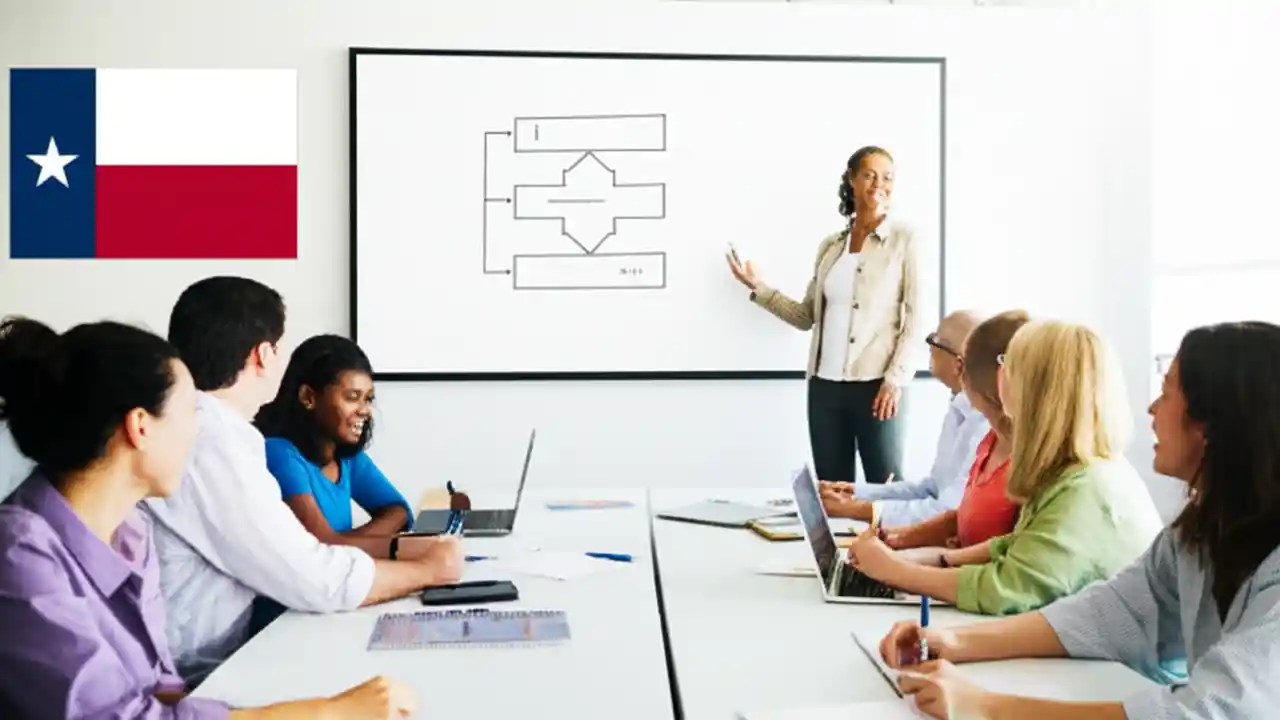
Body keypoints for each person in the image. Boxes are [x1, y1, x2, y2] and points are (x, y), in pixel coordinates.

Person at [0, 316, 416, 719]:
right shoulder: (19, 555)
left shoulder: (131, 531)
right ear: (140, 427)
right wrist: (325, 713)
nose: (198, 433)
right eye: (190, 414)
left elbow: (159, 688)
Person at [879, 321, 1280, 720]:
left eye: (1166, 392)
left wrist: (986, 707)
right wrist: (950, 641)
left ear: (1211, 422)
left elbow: (1210, 713)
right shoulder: (1202, 527)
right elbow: (1111, 612)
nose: (1152, 409)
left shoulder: (1093, 487)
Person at [144, 277, 462, 684]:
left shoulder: (211, 433)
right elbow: (315, 576)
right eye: (278, 350)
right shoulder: (213, 444)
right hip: (198, 677)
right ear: (262, 355)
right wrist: (429, 570)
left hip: (215, 659)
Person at [845, 320, 1162, 615]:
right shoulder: (1075, 471)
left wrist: (894, 570)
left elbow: (1007, 587)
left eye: (1010, 365)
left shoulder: (1088, 489)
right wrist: (933, 559)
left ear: (1041, 391)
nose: (1002, 375)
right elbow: (1019, 544)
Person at [728, 145, 920, 485]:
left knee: (888, 490)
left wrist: (896, 379)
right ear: (851, 179)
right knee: (831, 492)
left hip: (877, 386)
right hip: (825, 389)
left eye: (887, 177)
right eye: (869, 175)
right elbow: (805, 316)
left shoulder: (905, 240)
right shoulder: (831, 246)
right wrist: (757, 287)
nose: (879, 184)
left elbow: (916, 317)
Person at [875, 310, 1028, 551]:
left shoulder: (991, 430)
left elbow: (953, 516)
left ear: (961, 366)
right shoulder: (986, 434)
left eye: (933, 342)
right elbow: (953, 517)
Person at [819, 309, 989, 525]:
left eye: (934, 341)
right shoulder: (959, 407)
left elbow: (948, 510)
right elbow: (932, 488)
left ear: (958, 365)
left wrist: (855, 509)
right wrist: (854, 492)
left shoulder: (985, 423)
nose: (929, 348)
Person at [256, 335, 414, 557]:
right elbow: (322, 546)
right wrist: (393, 546)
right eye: (352, 397)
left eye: (368, 399)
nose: (365, 410)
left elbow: (400, 512)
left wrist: (347, 541)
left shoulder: (348, 457)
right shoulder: (279, 453)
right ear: (308, 397)